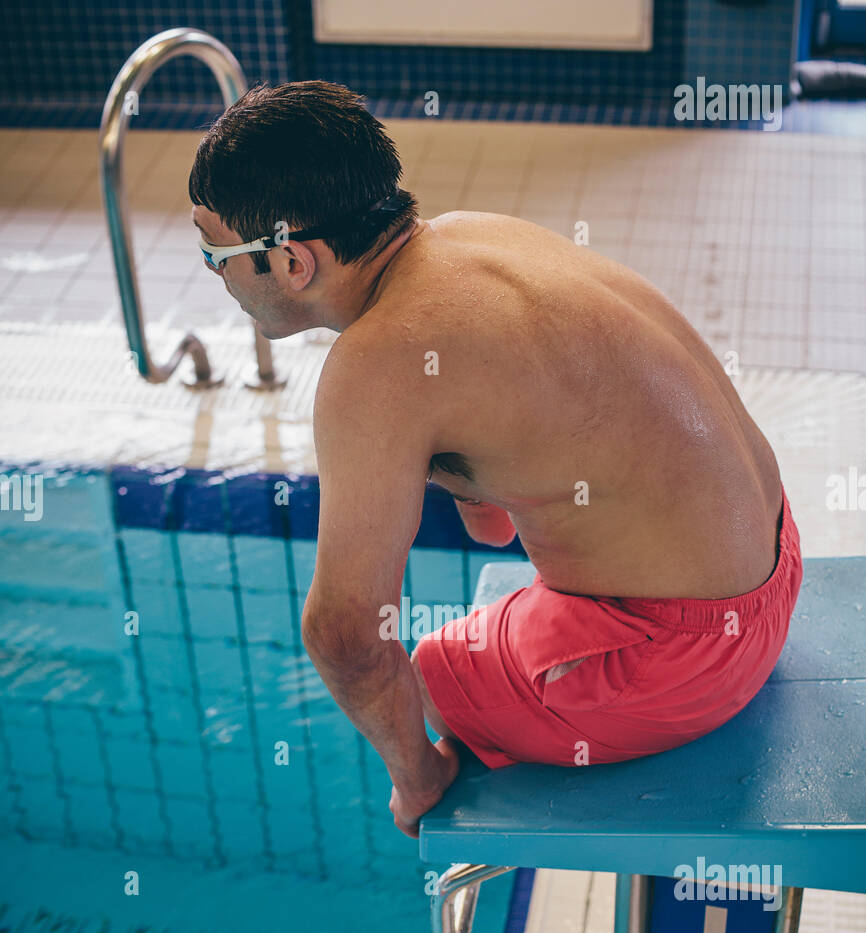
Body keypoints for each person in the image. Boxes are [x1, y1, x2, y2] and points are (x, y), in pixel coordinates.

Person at [189, 81, 802, 838]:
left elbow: (342, 633)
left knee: (437, 674)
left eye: (214, 251)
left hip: (696, 657)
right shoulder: (471, 235)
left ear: (290, 262)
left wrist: (417, 778)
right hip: (777, 558)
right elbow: (494, 522)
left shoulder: (376, 368)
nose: (213, 271)